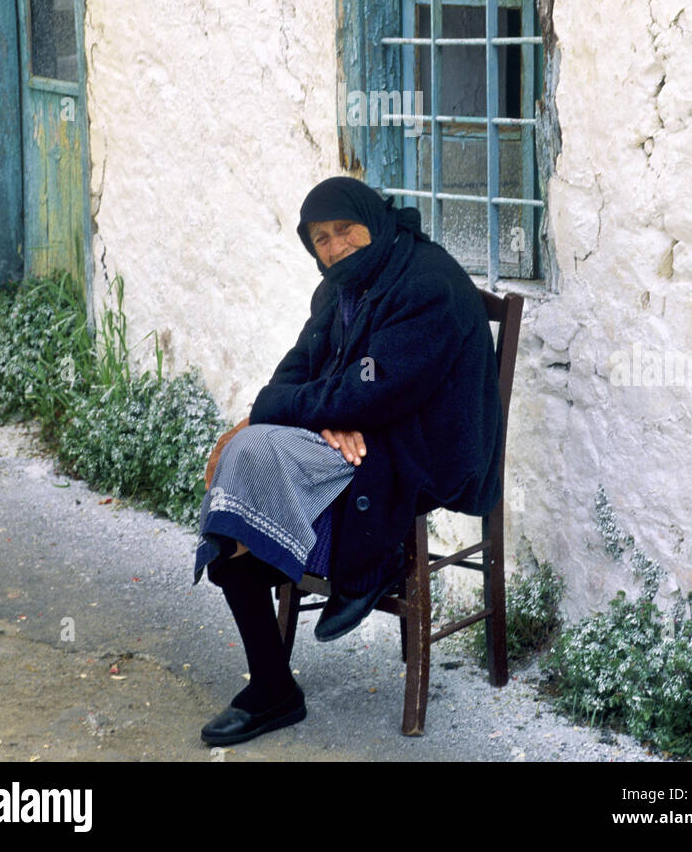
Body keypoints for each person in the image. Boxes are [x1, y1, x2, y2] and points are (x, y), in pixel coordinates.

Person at [194, 176, 502, 746]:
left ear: (373, 221)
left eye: (344, 230)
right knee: (246, 462)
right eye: (321, 239)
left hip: (426, 445)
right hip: (367, 430)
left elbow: (376, 391)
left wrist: (309, 409)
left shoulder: (425, 283)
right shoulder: (338, 291)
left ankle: (344, 572)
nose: (334, 247)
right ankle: (272, 680)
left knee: (254, 455)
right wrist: (320, 412)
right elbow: (298, 372)